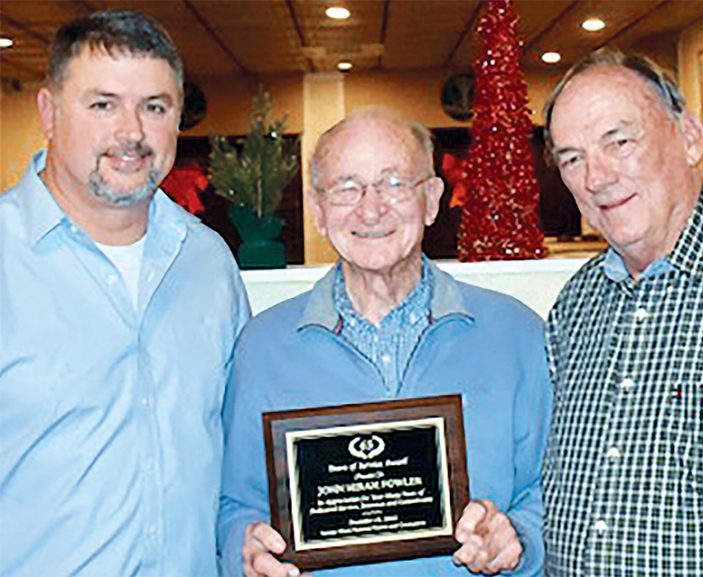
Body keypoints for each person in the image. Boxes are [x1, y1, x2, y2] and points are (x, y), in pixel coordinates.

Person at [217, 108, 551, 577]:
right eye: (346, 187)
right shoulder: (261, 348)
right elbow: (235, 502)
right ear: (317, 209)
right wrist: (244, 548)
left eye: (395, 183)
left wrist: (520, 538)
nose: (370, 209)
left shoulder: (517, 335)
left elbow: (553, 494)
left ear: (432, 199)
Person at [0, 10, 250, 576]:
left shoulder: (209, 262)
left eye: (154, 107)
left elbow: (239, 453)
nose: (131, 132)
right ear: (49, 112)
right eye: (103, 104)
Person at [542, 47, 703, 575]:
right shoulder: (575, 308)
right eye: (573, 158)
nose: (597, 176)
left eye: (618, 142)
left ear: (688, 139)